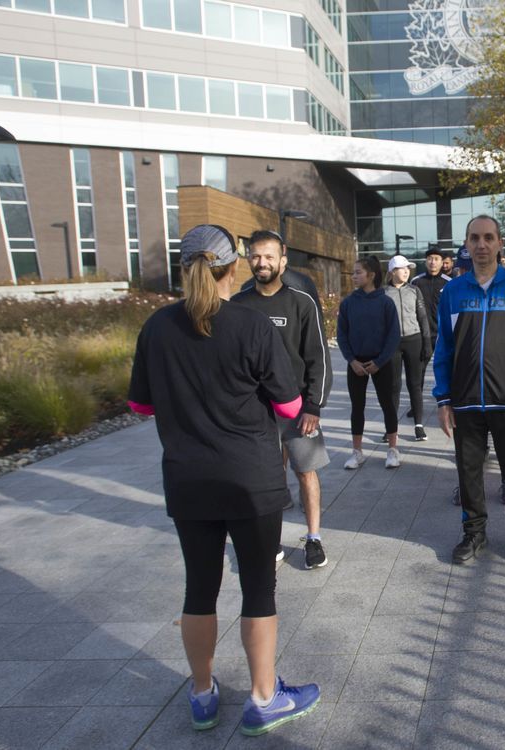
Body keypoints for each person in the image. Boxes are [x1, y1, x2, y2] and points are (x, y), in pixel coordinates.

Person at [128, 224, 321, 736]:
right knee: (259, 587)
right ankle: (263, 698)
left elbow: (140, 403)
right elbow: (290, 403)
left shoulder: (157, 327)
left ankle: (202, 693)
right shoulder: (250, 325)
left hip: (189, 478)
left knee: (200, 587)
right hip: (249, 478)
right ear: (231, 267)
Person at [434, 215, 505, 563]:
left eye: (488, 238)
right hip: (466, 402)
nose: (481, 245)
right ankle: (474, 534)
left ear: (499, 243)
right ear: (466, 245)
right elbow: (444, 348)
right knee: (468, 474)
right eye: (474, 238)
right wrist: (443, 399)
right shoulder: (452, 292)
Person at [233, 230, 332, 570]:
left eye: (269, 256)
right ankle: (269, 539)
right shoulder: (239, 304)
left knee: (306, 472)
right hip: (255, 410)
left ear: (283, 260)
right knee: (268, 476)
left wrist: (313, 406)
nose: (262, 262)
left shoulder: (300, 302)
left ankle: (314, 538)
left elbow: (318, 358)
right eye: (256, 256)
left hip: (298, 408)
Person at [337, 255, 402, 469]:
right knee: (357, 407)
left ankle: (392, 449)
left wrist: (380, 361)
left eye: (358, 272)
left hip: (382, 363)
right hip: (355, 363)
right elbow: (342, 335)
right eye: (354, 272)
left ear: (371, 275)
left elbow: (393, 336)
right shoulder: (348, 303)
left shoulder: (386, 302)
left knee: (388, 405)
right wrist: (351, 360)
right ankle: (357, 452)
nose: (354, 276)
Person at [385, 255, 432, 441]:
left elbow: (422, 317)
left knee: (415, 385)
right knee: (393, 386)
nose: (406, 271)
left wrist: (427, 343)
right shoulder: (383, 293)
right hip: (392, 344)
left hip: (414, 340)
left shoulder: (414, 290)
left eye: (408, 268)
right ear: (392, 272)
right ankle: (391, 427)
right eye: (402, 268)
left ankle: (419, 426)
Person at [412, 245, 451, 356]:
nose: (432, 262)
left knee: (445, 369)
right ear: (425, 262)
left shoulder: (449, 283)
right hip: (422, 334)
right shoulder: (416, 282)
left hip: (442, 334)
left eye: (436, 259)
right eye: (429, 259)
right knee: (420, 370)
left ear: (441, 262)